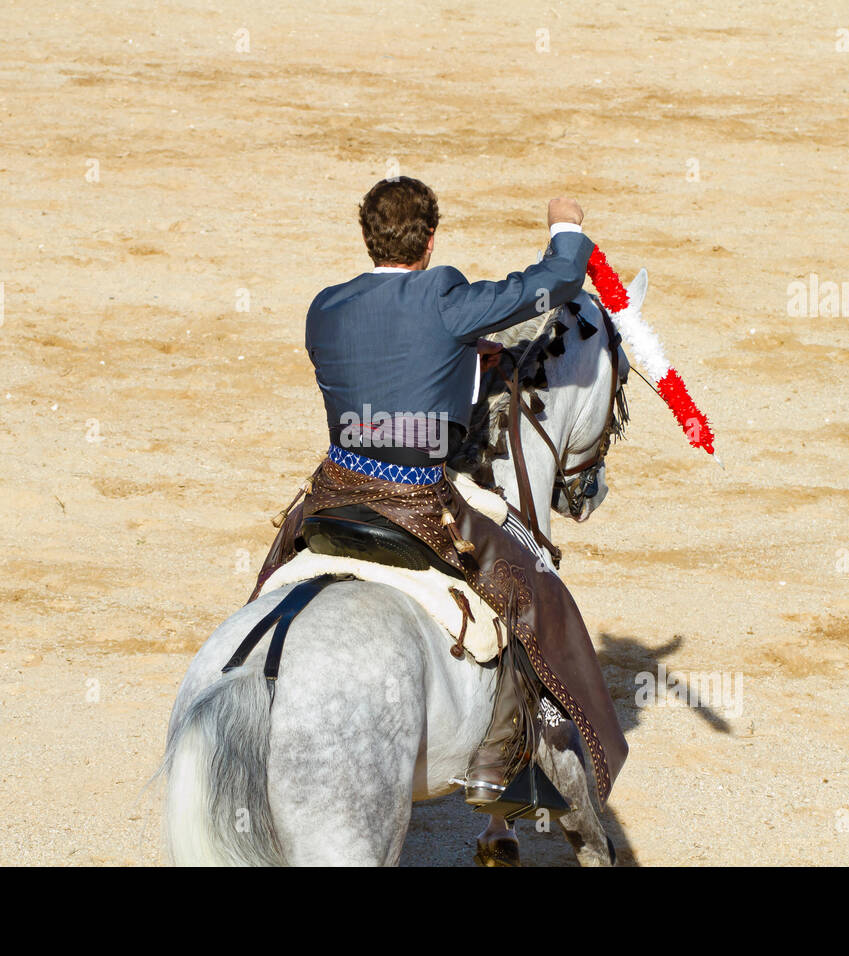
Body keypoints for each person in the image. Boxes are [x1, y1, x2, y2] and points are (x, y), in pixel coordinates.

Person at [253, 176, 627, 808]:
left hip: (333, 488)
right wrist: (565, 225)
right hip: (418, 497)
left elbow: (382, 366)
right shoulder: (445, 297)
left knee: (273, 574)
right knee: (526, 580)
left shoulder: (326, 307)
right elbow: (554, 284)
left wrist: (455, 363)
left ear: (368, 236)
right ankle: (503, 753)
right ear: (430, 239)